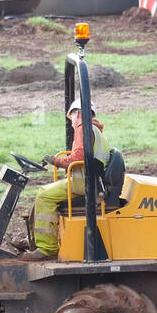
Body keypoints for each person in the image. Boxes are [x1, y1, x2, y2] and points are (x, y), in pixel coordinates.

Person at [22, 99, 111, 260]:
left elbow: (78, 156)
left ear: (77, 113)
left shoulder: (83, 129)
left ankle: (47, 248)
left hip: (83, 183)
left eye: (71, 118)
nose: (71, 123)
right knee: (44, 191)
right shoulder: (95, 130)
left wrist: (57, 161)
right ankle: (38, 240)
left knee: (44, 197)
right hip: (90, 181)